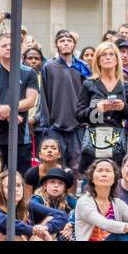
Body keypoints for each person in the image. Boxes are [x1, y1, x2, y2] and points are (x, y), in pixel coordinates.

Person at [0, 33, 39, 175]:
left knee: (20, 178)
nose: (9, 48)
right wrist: (8, 113)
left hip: (20, 136)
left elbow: (30, 101)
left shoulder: (29, 73)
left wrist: (9, 109)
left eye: (12, 45)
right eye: (4, 45)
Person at [77, 40, 128, 169]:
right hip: (94, 141)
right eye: (104, 55)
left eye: (111, 54)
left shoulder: (126, 86)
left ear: (117, 60)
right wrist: (96, 109)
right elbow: (79, 115)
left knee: (116, 180)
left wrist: (124, 108)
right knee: (92, 179)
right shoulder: (89, 84)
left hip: (116, 142)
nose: (108, 57)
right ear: (98, 61)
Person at [38, 29, 87, 170]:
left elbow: (89, 94)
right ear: (56, 45)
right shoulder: (48, 67)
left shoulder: (83, 67)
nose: (66, 43)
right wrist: (46, 124)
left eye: (69, 41)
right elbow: (44, 96)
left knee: (76, 167)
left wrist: (86, 120)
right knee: (56, 166)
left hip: (78, 126)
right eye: (62, 41)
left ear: (74, 44)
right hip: (55, 126)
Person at [74, 157, 128, 241]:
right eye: (100, 170)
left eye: (108, 171)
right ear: (92, 178)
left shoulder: (117, 203)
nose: (104, 174)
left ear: (114, 179)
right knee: (122, 235)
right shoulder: (84, 202)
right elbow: (105, 224)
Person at [27, 165, 76, 240]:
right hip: (37, 235)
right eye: (52, 182)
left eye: (60, 183)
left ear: (64, 188)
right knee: (52, 218)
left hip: (61, 234)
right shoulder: (37, 199)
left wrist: (70, 224)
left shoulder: (67, 198)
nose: (56, 185)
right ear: (45, 185)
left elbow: (81, 209)